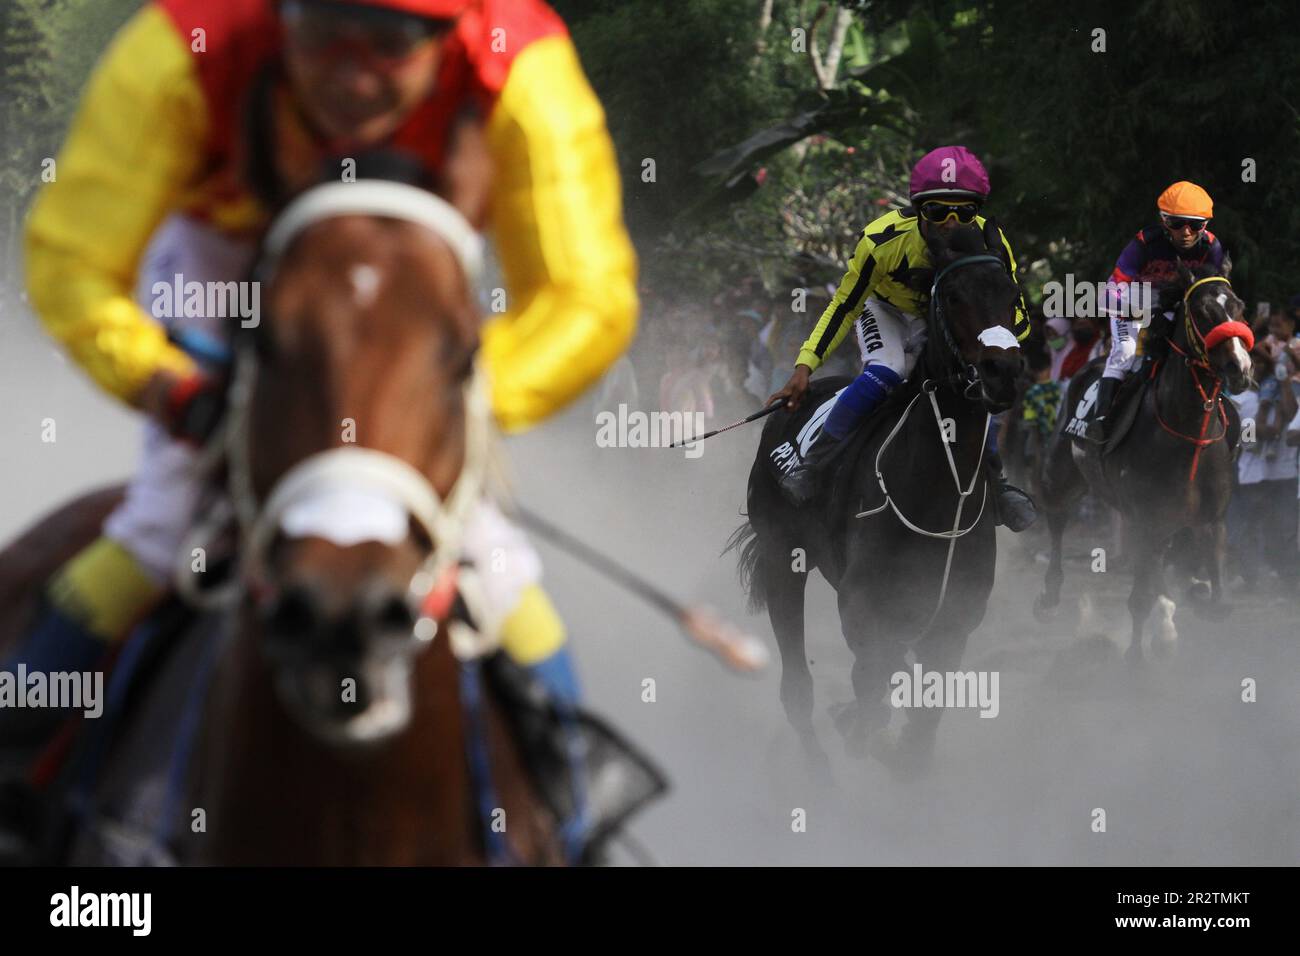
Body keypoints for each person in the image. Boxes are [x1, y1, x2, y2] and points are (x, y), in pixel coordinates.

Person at [5, 0, 636, 793]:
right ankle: (19, 774)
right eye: (324, 29)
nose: (353, 69)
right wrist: (172, 389)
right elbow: (73, 264)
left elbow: (587, 297)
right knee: (164, 526)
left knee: (491, 559)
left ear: (450, 35)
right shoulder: (178, 50)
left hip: (409, 262)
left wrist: (454, 404)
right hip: (221, 258)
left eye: (392, 40)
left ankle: (576, 803)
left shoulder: (523, 62)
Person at [769, 145, 1036, 531]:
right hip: (888, 311)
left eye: (963, 212)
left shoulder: (994, 246)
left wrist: (994, 344)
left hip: (949, 318)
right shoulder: (881, 242)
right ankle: (816, 464)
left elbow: (1018, 317)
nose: (950, 222)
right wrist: (805, 366)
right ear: (917, 210)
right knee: (891, 368)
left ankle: (997, 483)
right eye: (937, 211)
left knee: (975, 379)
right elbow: (844, 306)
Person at [1086, 180, 1228, 442]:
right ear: (1164, 221)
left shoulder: (1212, 247)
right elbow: (1109, 294)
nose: (1186, 232)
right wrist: (1145, 317)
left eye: (1195, 225)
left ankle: (1223, 408)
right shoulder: (1143, 243)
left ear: (1204, 225)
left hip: (1177, 301)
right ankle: (1102, 418)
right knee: (1126, 352)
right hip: (1135, 298)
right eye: (1177, 224)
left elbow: (1215, 293)